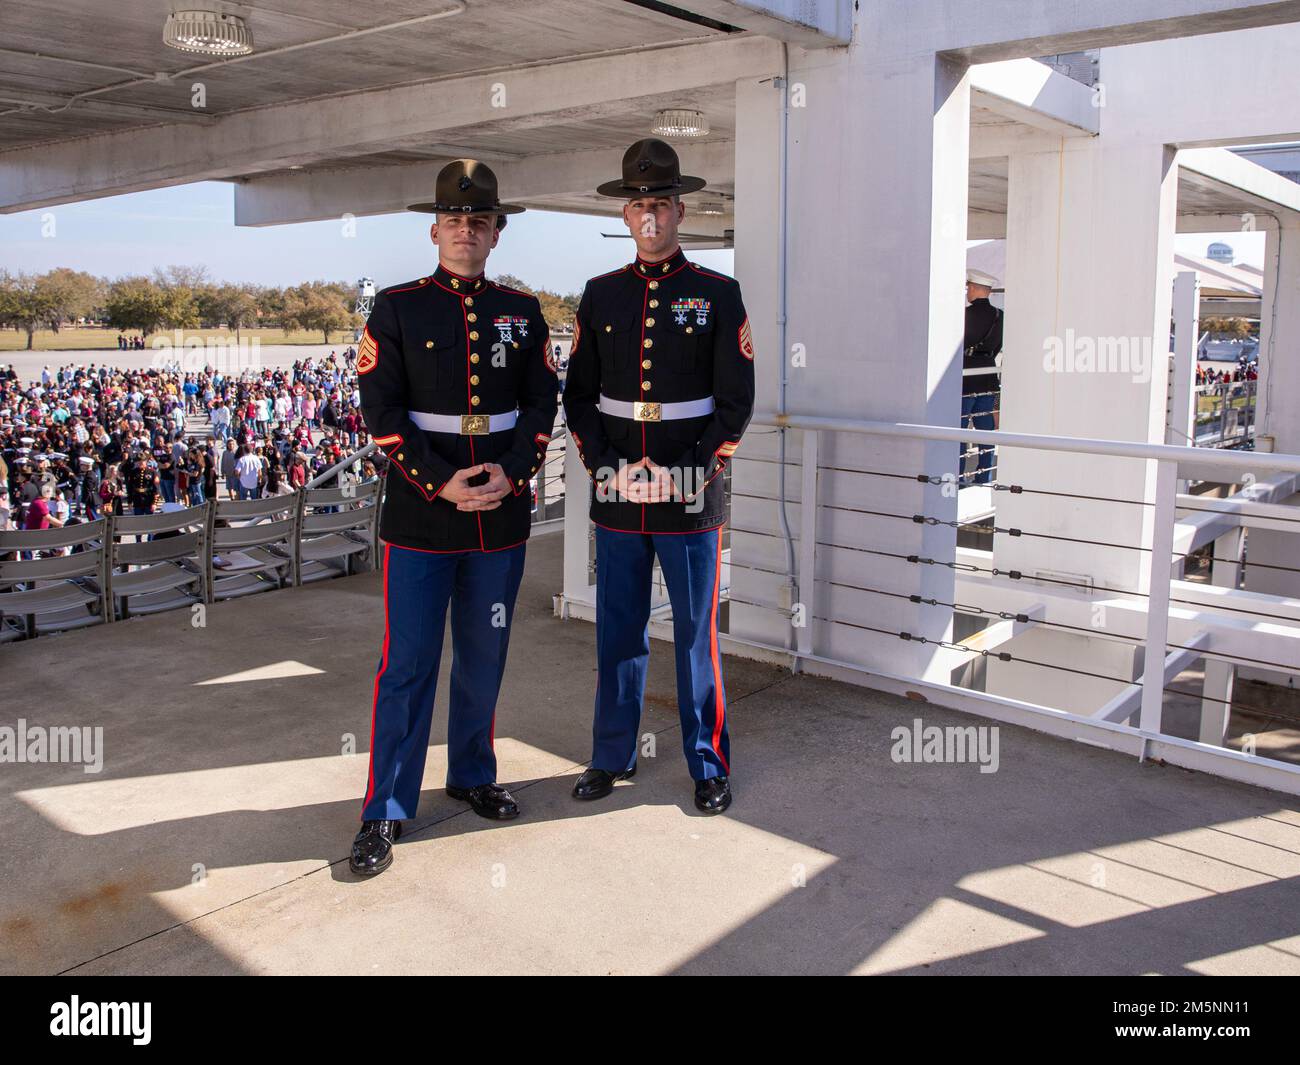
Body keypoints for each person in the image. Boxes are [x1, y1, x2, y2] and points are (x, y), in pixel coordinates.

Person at [349, 158, 558, 877]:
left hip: (499, 514)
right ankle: (385, 807)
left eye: (481, 220)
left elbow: (540, 405)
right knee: (407, 664)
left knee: (484, 656)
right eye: (455, 220)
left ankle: (472, 771)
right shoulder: (397, 308)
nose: (467, 230)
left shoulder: (523, 312)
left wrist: (514, 471)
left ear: (497, 234)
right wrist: (441, 483)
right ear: (434, 228)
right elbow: (380, 412)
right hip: (421, 518)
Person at [562, 138, 754, 815]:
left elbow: (736, 401)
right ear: (627, 213)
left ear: (680, 211)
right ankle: (611, 755)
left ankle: (707, 761)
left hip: (690, 496)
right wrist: (612, 470)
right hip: (619, 493)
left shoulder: (717, 294)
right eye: (639, 204)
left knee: (696, 632)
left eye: (661, 204)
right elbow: (578, 398)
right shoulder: (600, 295)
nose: (650, 215)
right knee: (618, 628)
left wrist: (681, 474)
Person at [961, 267, 1003, 486]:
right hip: (988, 375)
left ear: (976, 288)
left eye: (969, 287)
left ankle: (957, 475)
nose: (967, 290)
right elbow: (998, 347)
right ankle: (983, 476)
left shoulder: (964, 316)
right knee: (985, 432)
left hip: (965, 378)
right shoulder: (1000, 316)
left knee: (958, 430)